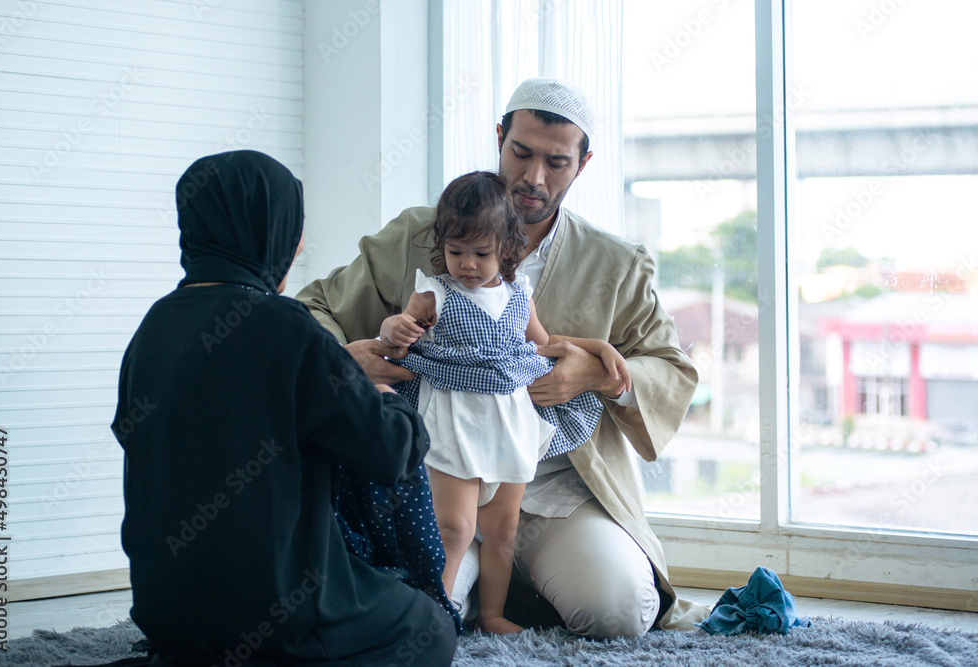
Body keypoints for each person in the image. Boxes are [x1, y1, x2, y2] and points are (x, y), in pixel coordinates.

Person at [297, 78, 711, 636]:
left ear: (583, 164)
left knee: (619, 611)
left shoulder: (615, 263)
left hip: (552, 486)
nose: (534, 177)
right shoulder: (422, 233)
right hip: (441, 472)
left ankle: (519, 579)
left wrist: (601, 375)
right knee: (418, 609)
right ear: (499, 138)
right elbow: (314, 307)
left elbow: (671, 366)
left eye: (557, 162)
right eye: (521, 153)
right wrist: (349, 361)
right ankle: (483, 587)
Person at [113, 150, 456, 665]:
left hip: (166, 615)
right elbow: (391, 455)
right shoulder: (286, 326)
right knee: (428, 627)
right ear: (273, 234)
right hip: (277, 617)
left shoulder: (154, 328)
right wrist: (385, 399)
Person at [378, 171, 631, 634]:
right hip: (454, 424)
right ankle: (434, 615)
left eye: (481, 253)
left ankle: (493, 612)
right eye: (456, 252)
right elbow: (398, 335)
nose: (467, 265)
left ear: (507, 249)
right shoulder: (434, 292)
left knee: (502, 532)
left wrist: (596, 346)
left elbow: (542, 344)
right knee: (452, 530)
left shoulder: (518, 295)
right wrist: (394, 330)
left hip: (509, 427)